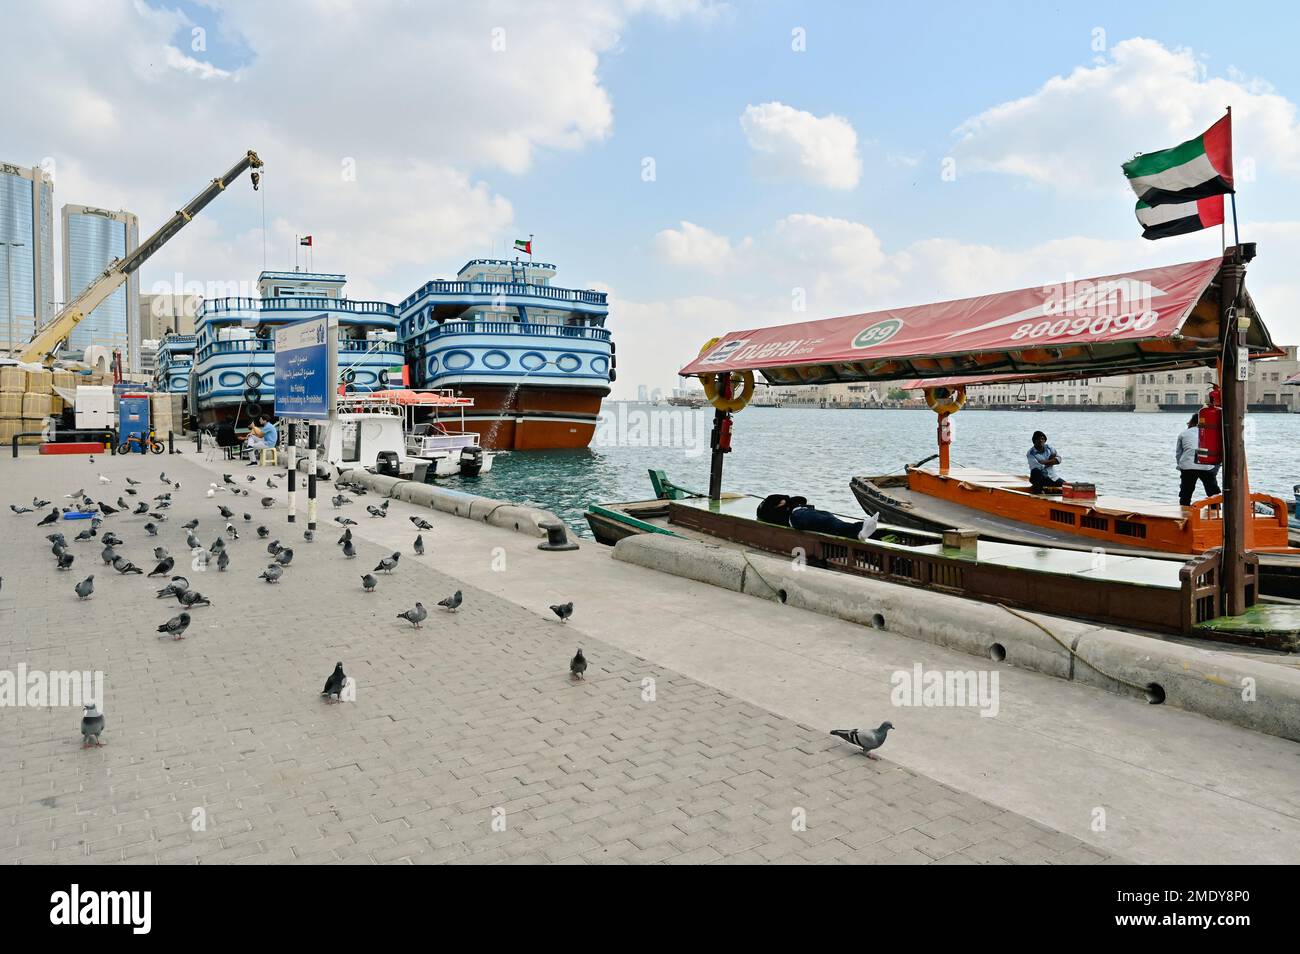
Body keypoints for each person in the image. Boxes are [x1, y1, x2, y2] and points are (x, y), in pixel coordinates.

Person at [1176, 413, 1220, 506]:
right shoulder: (1210, 432)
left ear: (1191, 422)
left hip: (1187, 466)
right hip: (1206, 465)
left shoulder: (1183, 434)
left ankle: (1184, 511)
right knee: (1212, 492)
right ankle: (1215, 511)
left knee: (1186, 493)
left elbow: (1179, 454)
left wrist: (1181, 466)